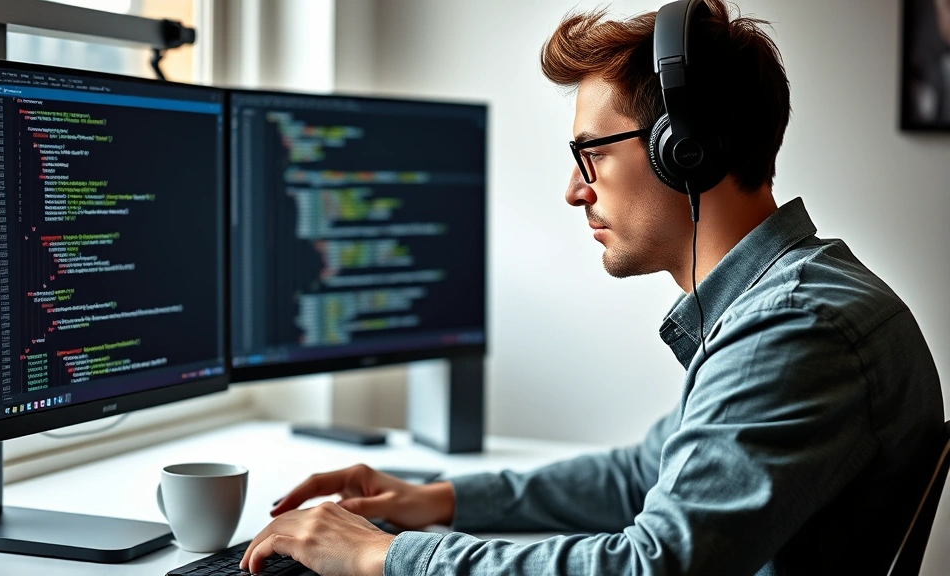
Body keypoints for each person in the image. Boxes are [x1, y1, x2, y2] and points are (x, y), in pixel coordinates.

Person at [240, 1, 946, 574]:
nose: (574, 190)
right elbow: (643, 472)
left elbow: (652, 566)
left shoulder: (797, 327)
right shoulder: (785, 300)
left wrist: (381, 555)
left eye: (592, 153)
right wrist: (437, 500)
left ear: (685, 149)